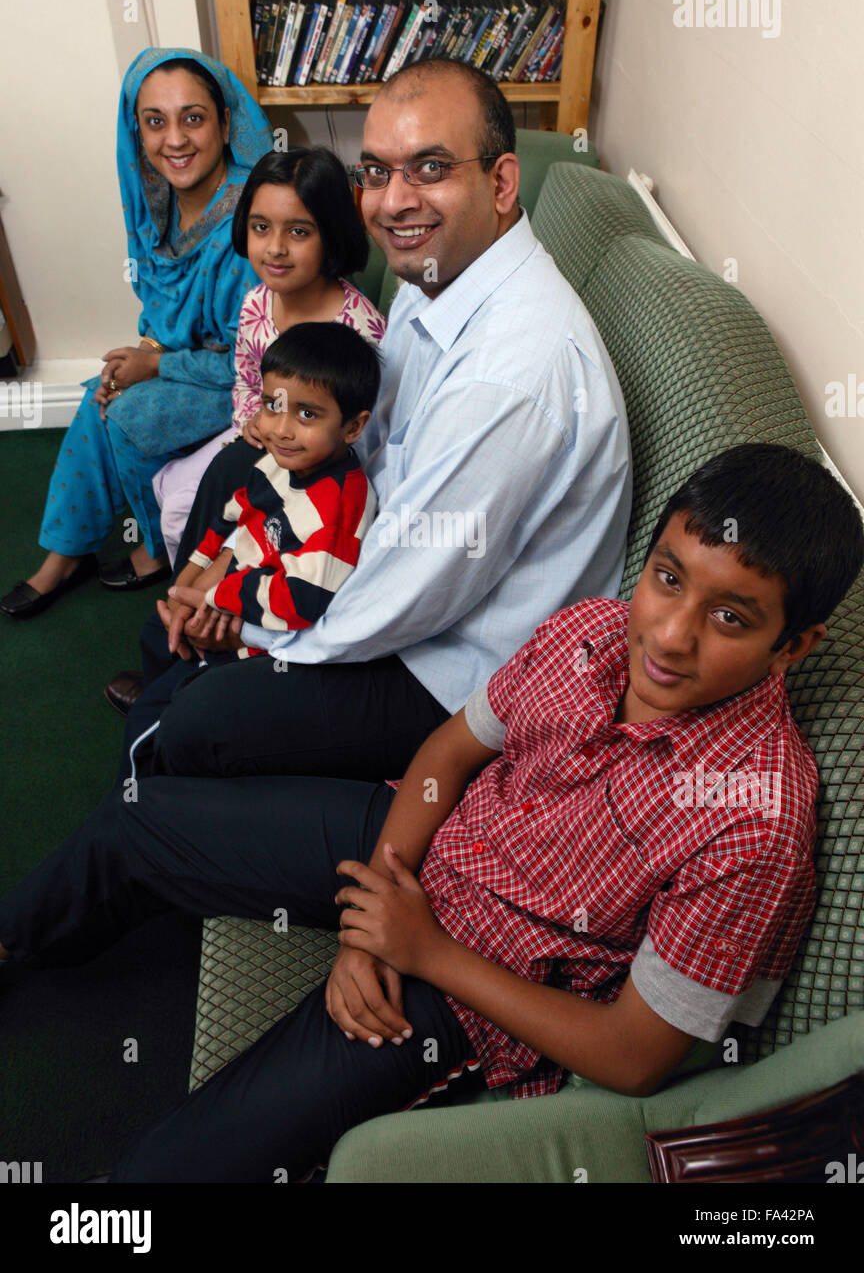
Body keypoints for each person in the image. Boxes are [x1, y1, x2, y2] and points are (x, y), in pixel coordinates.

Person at [1, 444, 860, 1182]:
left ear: (795, 645)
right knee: (137, 818)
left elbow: (634, 1057)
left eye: (730, 618)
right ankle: (19, 939)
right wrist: (373, 908)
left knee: (177, 1163)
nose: (671, 635)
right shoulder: (589, 634)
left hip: (483, 986)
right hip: (417, 854)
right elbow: (450, 753)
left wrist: (421, 950)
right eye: (667, 579)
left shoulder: (755, 821)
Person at [113, 56, 632, 782]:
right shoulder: (434, 278)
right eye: (376, 173)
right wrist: (235, 568)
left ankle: (174, 734)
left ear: (503, 183)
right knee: (231, 485)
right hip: (381, 563)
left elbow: (404, 598)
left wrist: (249, 623)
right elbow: (372, 452)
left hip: (448, 673)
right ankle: (175, 682)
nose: (393, 202)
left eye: (429, 168)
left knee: (199, 721)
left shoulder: (509, 377)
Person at [0, 48, 272, 620]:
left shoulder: (256, 218)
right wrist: (142, 353)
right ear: (138, 131)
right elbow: (163, 322)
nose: (174, 139)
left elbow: (255, 359)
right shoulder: (159, 204)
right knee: (95, 395)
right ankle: (64, 555)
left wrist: (155, 367)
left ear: (226, 123)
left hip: (255, 383)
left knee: (128, 413)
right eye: (155, 121)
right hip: (191, 365)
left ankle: (157, 553)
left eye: (193, 118)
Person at [152, 147, 386, 569]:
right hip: (256, 437)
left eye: (298, 232)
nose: (275, 248)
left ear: (331, 234)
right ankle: (185, 599)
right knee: (171, 493)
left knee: (219, 529)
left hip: (313, 468)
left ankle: (217, 606)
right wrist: (252, 422)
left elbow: (363, 439)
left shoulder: (359, 331)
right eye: (261, 227)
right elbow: (246, 381)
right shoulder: (255, 304)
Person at [167, 321, 379, 666]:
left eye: (307, 414)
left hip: (255, 649)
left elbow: (300, 601)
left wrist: (216, 596)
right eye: (272, 405)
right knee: (161, 630)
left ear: (353, 427)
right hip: (231, 595)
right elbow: (234, 516)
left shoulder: (337, 510)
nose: (281, 430)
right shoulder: (283, 462)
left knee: (181, 697)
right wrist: (183, 586)